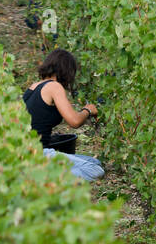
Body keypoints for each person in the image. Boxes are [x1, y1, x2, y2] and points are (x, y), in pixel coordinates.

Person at [23, 49, 104, 181]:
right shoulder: (54, 87)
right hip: (38, 154)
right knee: (94, 170)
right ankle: (45, 180)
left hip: (25, 153)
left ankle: (42, 175)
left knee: (94, 162)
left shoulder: (34, 86)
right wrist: (88, 110)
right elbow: (74, 121)